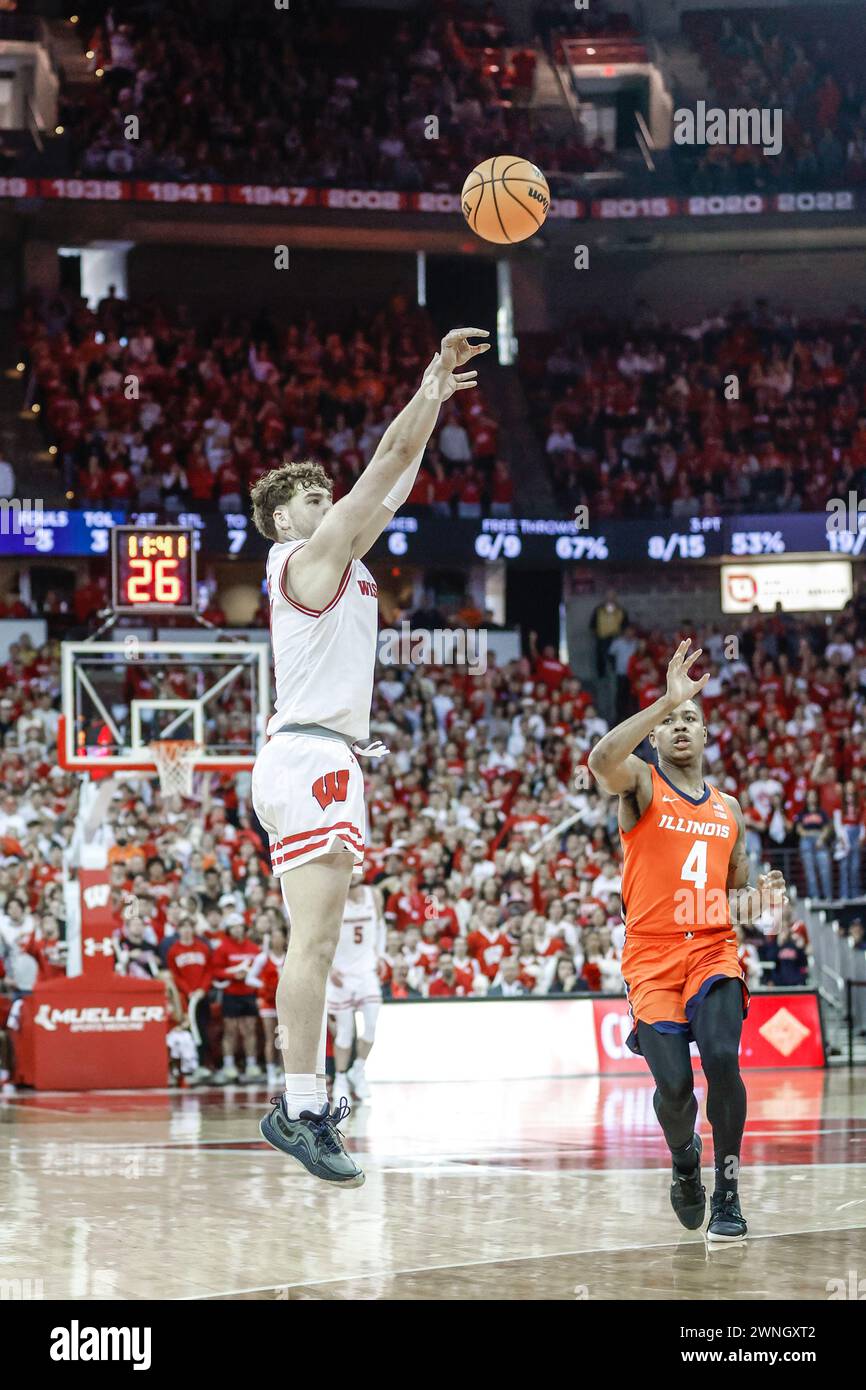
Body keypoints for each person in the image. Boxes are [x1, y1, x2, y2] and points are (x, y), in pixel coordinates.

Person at [250, 326, 490, 1184]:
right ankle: (300, 1107)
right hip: (310, 756)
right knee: (311, 941)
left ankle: (304, 1101)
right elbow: (384, 455)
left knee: (312, 938)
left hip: (323, 757)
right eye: (315, 496)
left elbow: (398, 470)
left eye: (327, 495)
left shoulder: (343, 556)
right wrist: (430, 379)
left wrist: (434, 403)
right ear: (285, 521)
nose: (330, 502)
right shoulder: (302, 559)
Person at [587, 639, 787, 1242]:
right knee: (673, 1088)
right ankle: (684, 1162)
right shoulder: (642, 786)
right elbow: (600, 760)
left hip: (713, 948)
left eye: (690, 719)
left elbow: (738, 895)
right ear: (655, 737)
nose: (680, 726)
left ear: (705, 737)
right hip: (650, 956)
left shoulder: (729, 809)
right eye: (671, 721)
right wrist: (662, 701)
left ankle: (728, 1189)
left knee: (723, 1058)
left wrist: (761, 903)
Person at [326, 879, 385, 1104]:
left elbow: (381, 928)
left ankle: (357, 1070)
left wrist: (380, 955)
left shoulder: (374, 895)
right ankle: (340, 1078)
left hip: (366, 970)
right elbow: (324, 934)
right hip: (341, 974)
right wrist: (329, 967)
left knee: (370, 1027)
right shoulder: (334, 896)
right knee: (344, 1032)